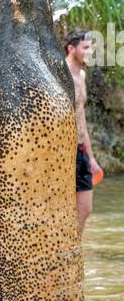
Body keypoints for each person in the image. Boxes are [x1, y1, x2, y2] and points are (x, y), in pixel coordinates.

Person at [65, 29, 101, 234]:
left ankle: (73, 253)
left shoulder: (82, 75)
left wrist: (92, 157)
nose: (90, 52)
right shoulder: (61, 74)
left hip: (80, 149)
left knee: (85, 208)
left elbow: (81, 118)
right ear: (71, 48)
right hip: (62, 151)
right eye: (86, 47)